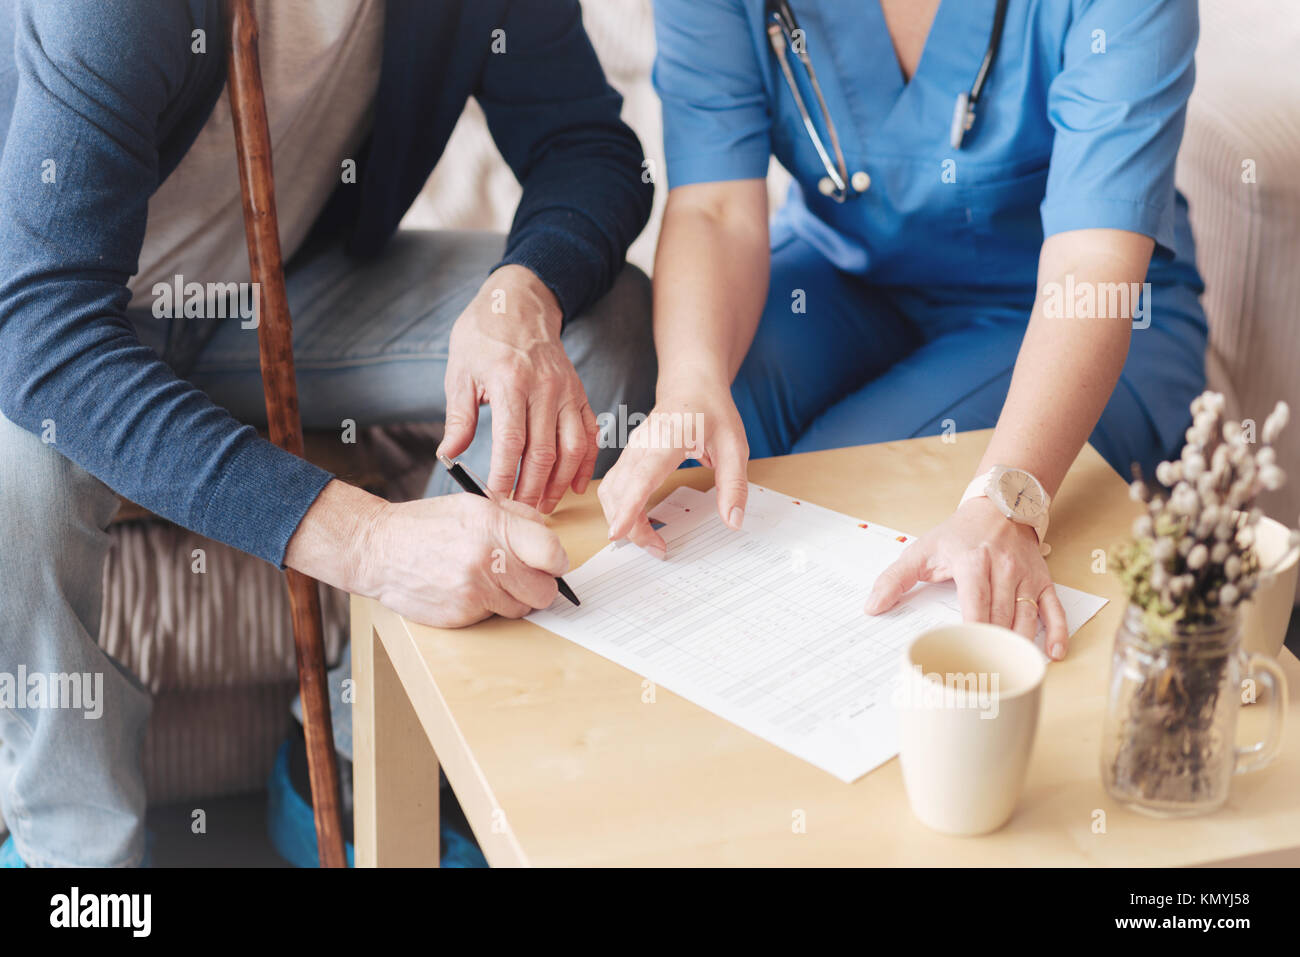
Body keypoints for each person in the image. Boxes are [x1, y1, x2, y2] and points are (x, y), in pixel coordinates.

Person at [0, 0, 654, 867]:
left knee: (596, 327)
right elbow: (42, 328)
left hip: (274, 297)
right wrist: (371, 542)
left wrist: (521, 293)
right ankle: (77, 857)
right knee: (18, 473)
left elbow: (589, 144)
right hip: (51, 321)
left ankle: (354, 755)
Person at [599, 0, 1205, 661]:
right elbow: (714, 208)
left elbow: (1093, 265)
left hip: (1076, 309)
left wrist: (1007, 500)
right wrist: (690, 382)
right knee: (692, 471)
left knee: (840, 499)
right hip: (844, 272)